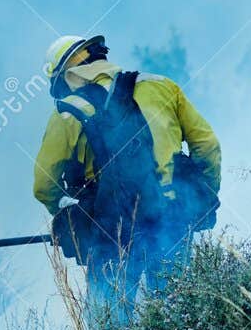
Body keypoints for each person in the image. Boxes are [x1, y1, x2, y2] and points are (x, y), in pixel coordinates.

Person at [33, 33, 222, 303]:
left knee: (109, 325)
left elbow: (43, 183)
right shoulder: (162, 86)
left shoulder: (67, 111)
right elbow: (208, 145)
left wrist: (72, 215)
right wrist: (197, 196)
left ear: (64, 76)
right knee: (181, 313)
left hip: (111, 229)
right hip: (173, 217)